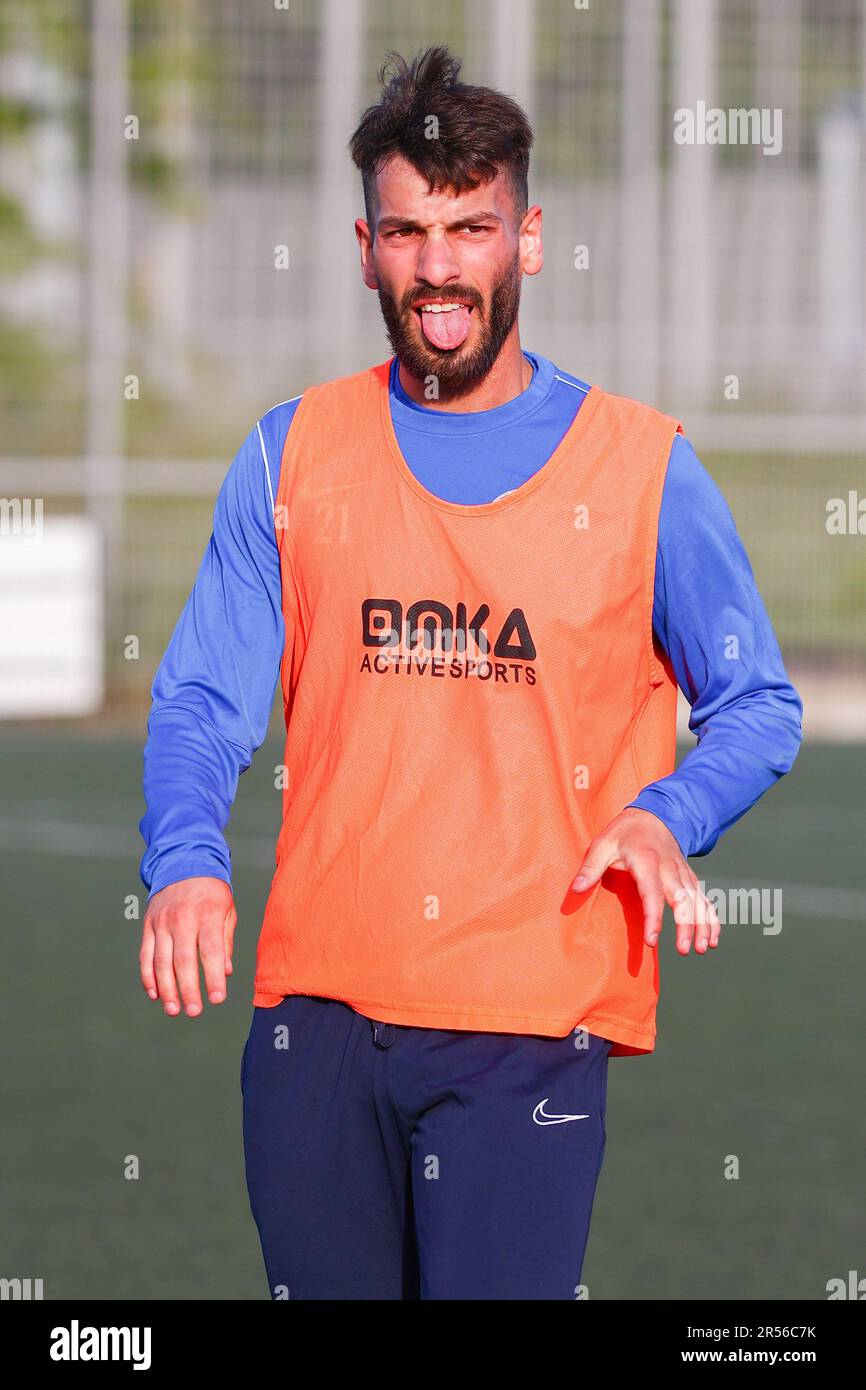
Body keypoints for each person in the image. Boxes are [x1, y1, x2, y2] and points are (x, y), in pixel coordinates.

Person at [138, 46, 803, 1300]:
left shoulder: (642, 466)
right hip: (314, 1023)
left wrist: (669, 811)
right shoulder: (289, 453)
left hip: (526, 1029)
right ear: (364, 244)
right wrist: (183, 862)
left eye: (469, 227)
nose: (438, 266)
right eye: (407, 231)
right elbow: (201, 701)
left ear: (528, 238)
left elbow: (756, 702)